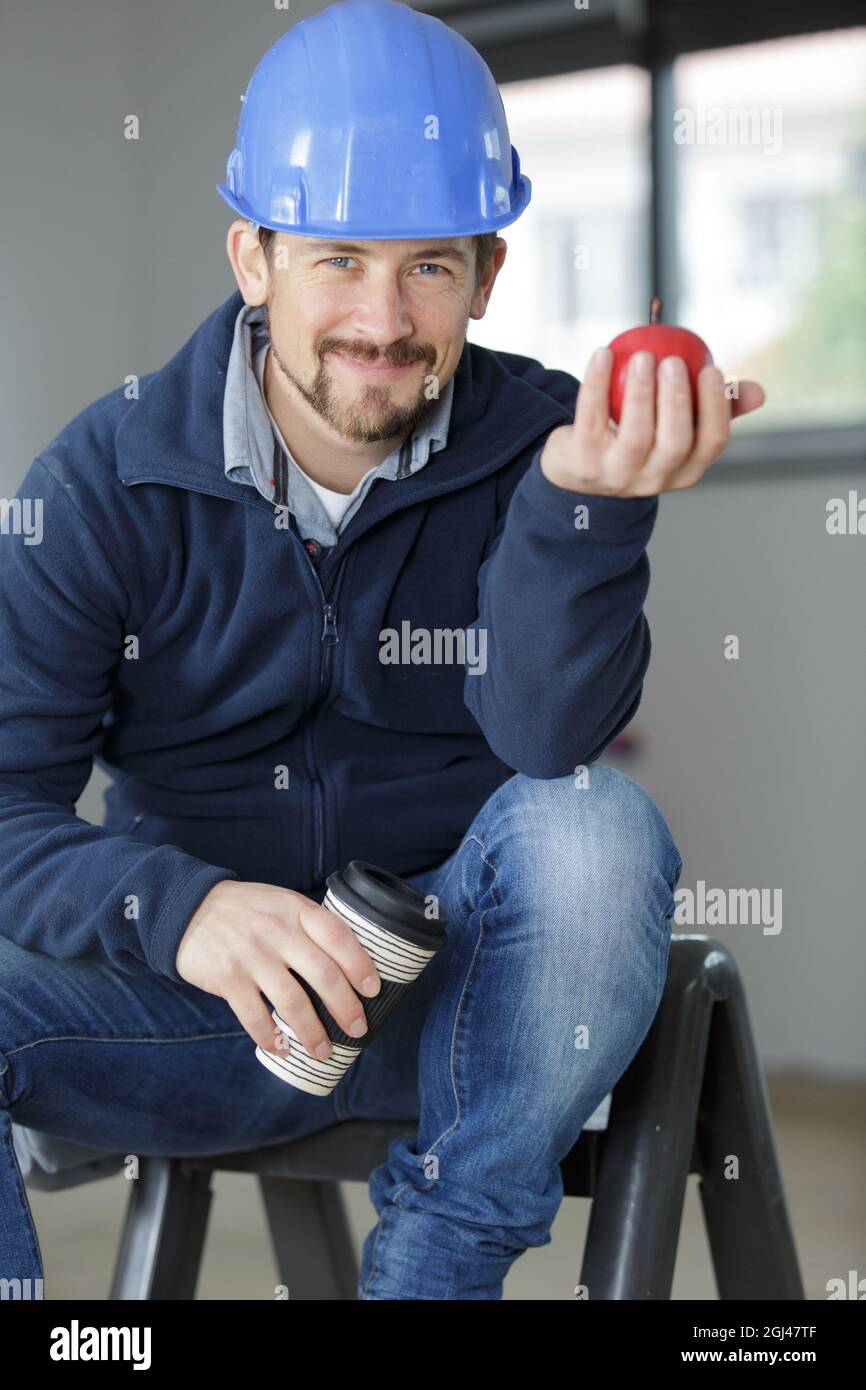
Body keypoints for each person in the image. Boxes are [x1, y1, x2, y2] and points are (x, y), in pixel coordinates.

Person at [0, 0, 764, 1300]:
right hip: (200, 1022)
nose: (384, 315)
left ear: (486, 275)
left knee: (594, 825)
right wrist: (176, 907)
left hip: (472, 1017)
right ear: (253, 257)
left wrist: (582, 507)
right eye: (338, 258)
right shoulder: (102, 480)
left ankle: (434, 1270)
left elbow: (544, 742)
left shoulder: (539, 439)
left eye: (429, 265)